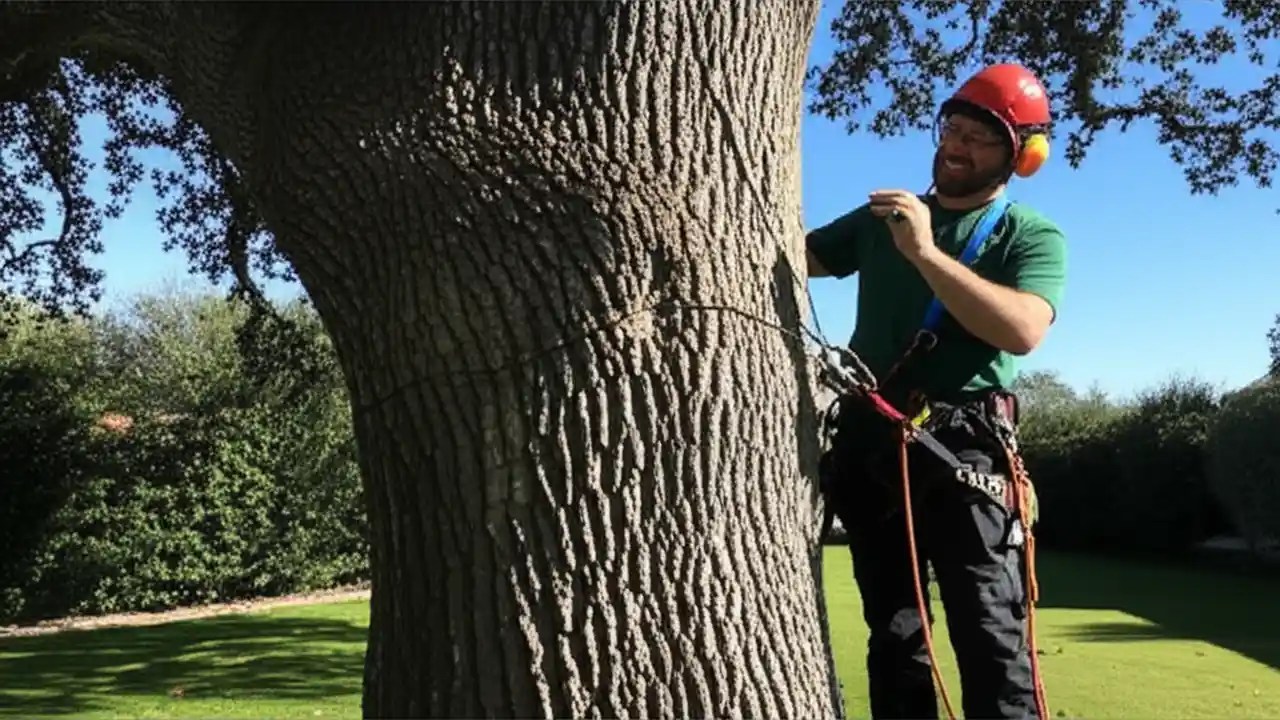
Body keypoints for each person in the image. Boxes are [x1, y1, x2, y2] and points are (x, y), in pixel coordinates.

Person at [806, 63, 1067, 720]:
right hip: (870, 440)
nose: (956, 146)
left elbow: (1023, 330)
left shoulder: (1028, 234)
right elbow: (793, 254)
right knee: (895, 636)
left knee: (990, 636)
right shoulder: (881, 220)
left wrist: (924, 252)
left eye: (980, 137)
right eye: (952, 128)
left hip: (963, 450)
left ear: (1022, 156)